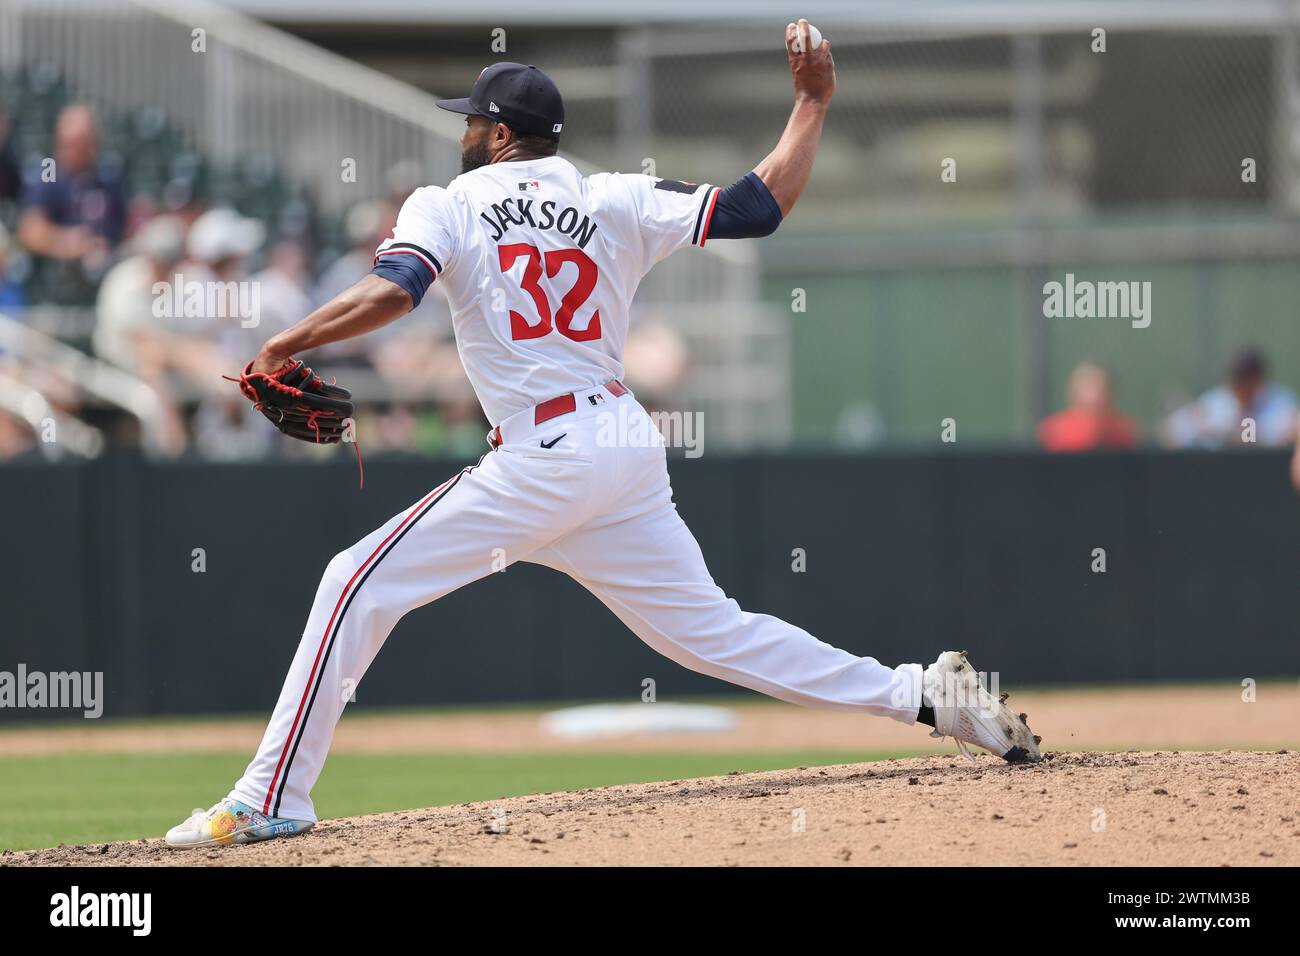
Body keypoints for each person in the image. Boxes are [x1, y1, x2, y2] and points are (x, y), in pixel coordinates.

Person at [165, 25, 1040, 850]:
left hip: (544, 455)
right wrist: (811, 105)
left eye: (473, 121)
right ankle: (926, 696)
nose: (464, 134)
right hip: (621, 443)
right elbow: (756, 207)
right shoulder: (608, 194)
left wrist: (283, 342)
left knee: (351, 579)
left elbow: (397, 291)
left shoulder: (451, 201)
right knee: (713, 633)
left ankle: (272, 795)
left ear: (500, 135)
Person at [16, 105, 126, 304]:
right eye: (68, 143)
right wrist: (69, 243)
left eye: (83, 143)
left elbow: (122, 229)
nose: (73, 150)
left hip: (100, 281)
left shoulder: (107, 177)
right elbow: (30, 230)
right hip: (54, 286)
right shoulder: (48, 172)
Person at [1162, 348, 1299, 449]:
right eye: (1236, 382)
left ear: (1259, 379)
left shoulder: (1282, 404)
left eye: (1246, 382)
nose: (1240, 390)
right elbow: (1170, 431)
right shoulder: (1218, 402)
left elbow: (1288, 434)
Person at [1037, 361, 1140, 452]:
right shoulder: (1054, 432)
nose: (1094, 396)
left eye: (1100, 389)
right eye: (1087, 388)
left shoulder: (1125, 432)